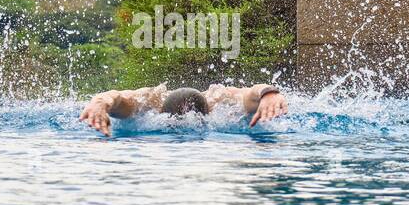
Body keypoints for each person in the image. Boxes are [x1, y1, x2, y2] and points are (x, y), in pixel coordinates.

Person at [79, 83, 289, 137]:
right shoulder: (145, 102)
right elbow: (115, 96)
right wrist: (99, 103)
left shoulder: (220, 99)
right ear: (160, 113)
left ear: (208, 113)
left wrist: (269, 93)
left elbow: (252, 92)